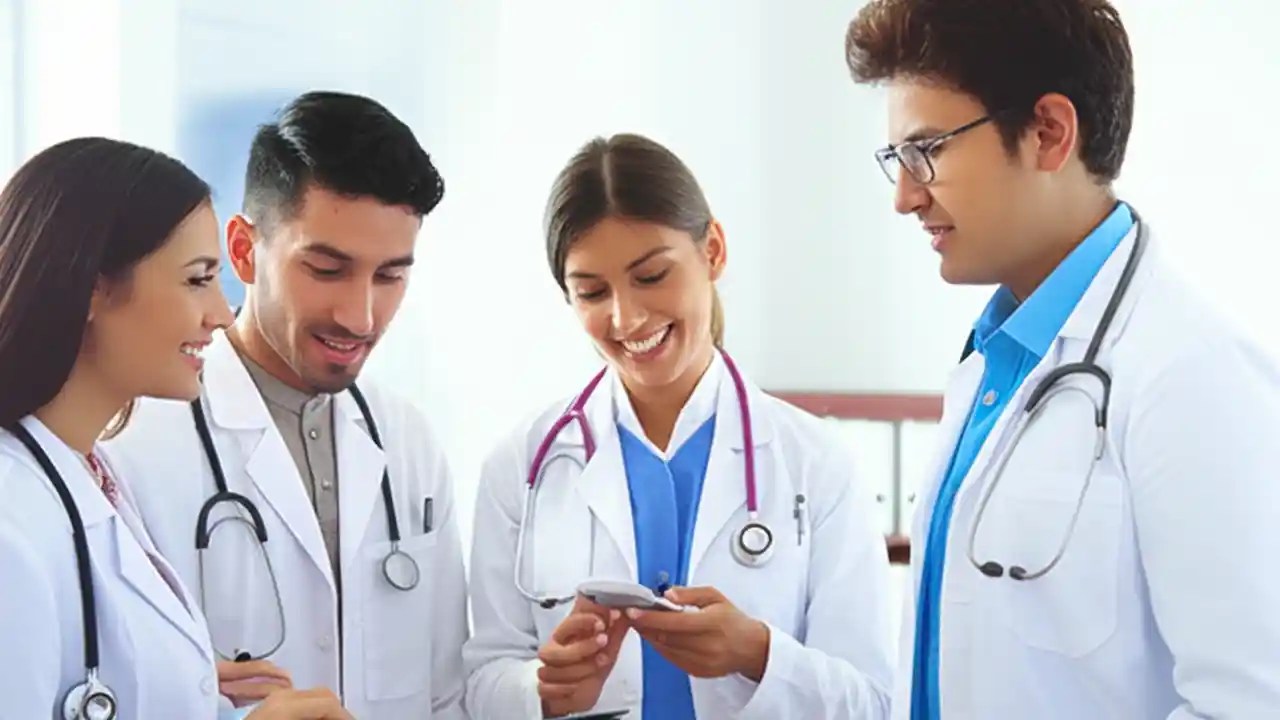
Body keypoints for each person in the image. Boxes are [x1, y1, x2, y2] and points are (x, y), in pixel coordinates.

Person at [844, 1, 1280, 717]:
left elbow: (1251, 702)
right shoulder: (993, 363)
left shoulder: (1193, 379)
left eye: (927, 151)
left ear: (1049, 132)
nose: (904, 196)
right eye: (897, 157)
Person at [463, 133, 896, 719]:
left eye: (651, 276)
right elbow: (481, 684)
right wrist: (542, 687)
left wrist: (757, 653)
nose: (626, 317)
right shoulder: (522, 467)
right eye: (591, 292)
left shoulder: (815, 462)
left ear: (712, 250)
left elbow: (871, 702)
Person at [100, 91, 468, 719]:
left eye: (390, 276)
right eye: (326, 269)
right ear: (243, 251)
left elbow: (446, 694)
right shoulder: (131, 447)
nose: (361, 316)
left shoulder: (405, 440)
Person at [0, 137, 355, 718]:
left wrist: (178, 678)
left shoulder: (86, 472)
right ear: (92, 284)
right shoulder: (10, 523)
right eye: (197, 279)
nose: (220, 313)